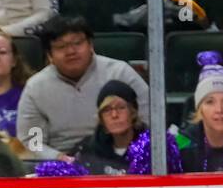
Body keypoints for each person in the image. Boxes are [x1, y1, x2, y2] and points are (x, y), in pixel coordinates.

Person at [15, 15, 148, 162]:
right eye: (61, 46)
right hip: (63, 166)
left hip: (122, 158)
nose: (71, 51)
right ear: (49, 55)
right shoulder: (36, 87)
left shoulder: (120, 73)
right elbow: (33, 141)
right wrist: (60, 158)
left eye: (78, 43)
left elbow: (149, 120)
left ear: (90, 45)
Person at [71, 80, 144, 174]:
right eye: (107, 110)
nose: (114, 115)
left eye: (121, 107)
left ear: (133, 113)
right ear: (101, 119)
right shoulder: (86, 151)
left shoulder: (152, 148)